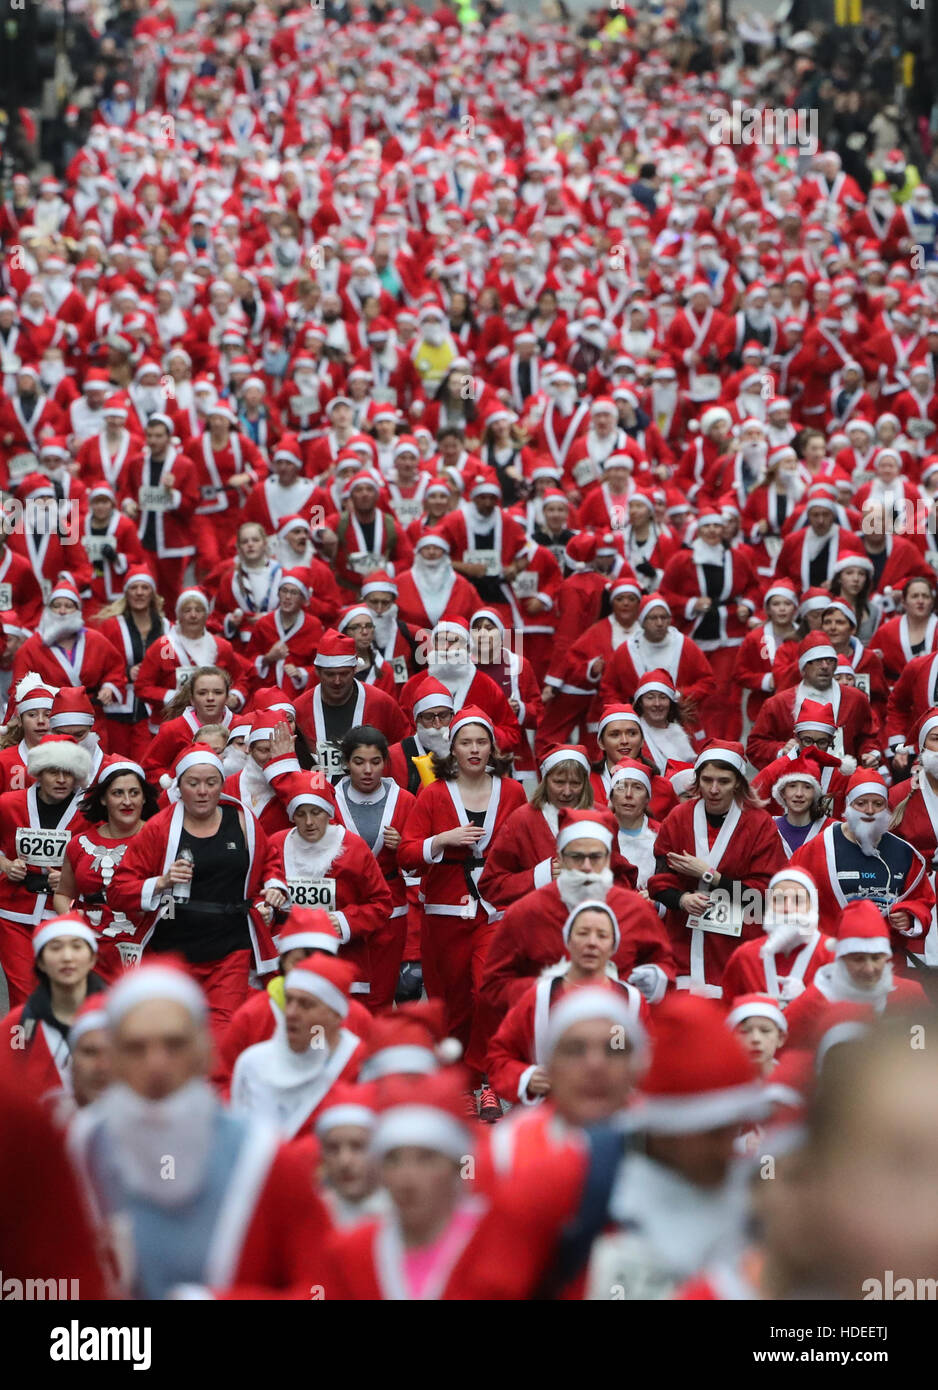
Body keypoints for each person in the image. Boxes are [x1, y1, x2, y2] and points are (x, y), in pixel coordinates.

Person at [457, 995, 768, 1300]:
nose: (595, 1065)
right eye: (711, 1134)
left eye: (612, 1050)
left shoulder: (762, 1194)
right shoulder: (548, 1173)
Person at [68, 964, 333, 1299]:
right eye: (136, 1047)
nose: (156, 1065)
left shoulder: (265, 1160)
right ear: (114, 1058)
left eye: (174, 1045)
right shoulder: (74, 1152)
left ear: (205, 1051)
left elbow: (325, 1286)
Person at [398, 707, 526, 1114]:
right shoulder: (434, 793)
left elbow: (525, 850)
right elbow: (405, 854)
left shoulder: (513, 792)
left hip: (494, 909)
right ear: (451, 748)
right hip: (443, 909)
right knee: (451, 1001)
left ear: (493, 746)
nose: (474, 749)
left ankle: (485, 1079)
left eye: (481, 741)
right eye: (465, 742)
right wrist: (442, 839)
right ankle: (460, 1086)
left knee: (486, 991)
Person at [109, 745, 282, 1031]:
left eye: (211, 782)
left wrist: (273, 891)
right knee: (172, 1032)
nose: (203, 791)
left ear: (222, 785)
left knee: (222, 1033)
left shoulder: (242, 820)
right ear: (179, 787)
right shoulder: (158, 828)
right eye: (193, 783)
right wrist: (162, 882)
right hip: (172, 948)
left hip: (230, 950)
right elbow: (118, 890)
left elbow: (269, 862)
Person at [318, 1068, 488, 1301]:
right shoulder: (353, 1251)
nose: (407, 1178)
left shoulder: (491, 1241)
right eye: (393, 1160)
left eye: (426, 1158)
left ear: (456, 1166)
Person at [649, 741, 786, 998]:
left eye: (723, 781)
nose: (713, 789)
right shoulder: (679, 817)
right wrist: (682, 899)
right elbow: (659, 881)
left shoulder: (759, 824)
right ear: (697, 780)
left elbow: (763, 895)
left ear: (737, 782)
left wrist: (709, 875)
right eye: (707, 780)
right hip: (684, 944)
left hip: (736, 945)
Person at [487, 903, 648, 1107]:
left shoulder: (632, 1001)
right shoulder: (540, 996)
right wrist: (527, 1077)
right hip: (551, 1122)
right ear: (568, 941)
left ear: (613, 945)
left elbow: (650, 1063)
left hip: (614, 1124)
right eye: (583, 933)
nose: (592, 943)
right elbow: (498, 1056)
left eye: (602, 935)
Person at [262, 765, 393, 1009]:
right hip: (287, 962)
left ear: (329, 812)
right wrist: (266, 908)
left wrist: (343, 921)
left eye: (316, 812)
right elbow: (259, 895)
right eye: (301, 814)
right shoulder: (277, 844)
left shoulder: (353, 848)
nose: (309, 822)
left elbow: (382, 904)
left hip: (342, 961)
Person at [790, 767, 934, 964]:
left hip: (886, 962)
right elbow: (787, 897)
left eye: (877, 804)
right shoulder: (818, 849)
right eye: (861, 803)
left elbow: (922, 899)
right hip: (830, 959)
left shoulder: (904, 852)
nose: (869, 810)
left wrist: (910, 916)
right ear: (848, 805)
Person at [0, 734, 92, 1009]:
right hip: (14, 911)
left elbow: (99, 856)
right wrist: (5, 865)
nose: (62, 779)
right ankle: (25, 1048)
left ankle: (59, 1048)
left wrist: (70, 880)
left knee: (62, 993)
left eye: (68, 772)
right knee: (24, 994)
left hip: (63, 911)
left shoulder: (89, 811)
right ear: (39, 772)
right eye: (54, 771)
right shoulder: (8, 804)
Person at [230, 956, 366, 1139]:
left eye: (306, 1004)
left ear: (336, 1015)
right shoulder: (252, 1063)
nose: (291, 1013)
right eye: (289, 1000)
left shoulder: (361, 1065)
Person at [333, 725, 416, 1011]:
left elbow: (419, 863)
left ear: (385, 762)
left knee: (381, 994)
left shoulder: (405, 800)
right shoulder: (329, 801)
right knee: (344, 994)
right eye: (358, 762)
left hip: (391, 910)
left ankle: (375, 1054)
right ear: (346, 764)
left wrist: (404, 846)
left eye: (375, 762)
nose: (367, 770)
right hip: (345, 909)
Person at [54, 757, 159, 980]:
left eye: (134, 793)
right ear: (103, 798)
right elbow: (63, 894)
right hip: (91, 954)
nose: (127, 801)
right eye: (117, 793)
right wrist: (74, 925)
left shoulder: (162, 839)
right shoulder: (79, 843)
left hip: (147, 952)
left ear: (144, 798)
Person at [783, 900, 928, 1048]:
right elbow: (782, 1050)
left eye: (876, 958)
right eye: (858, 959)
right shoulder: (814, 1001)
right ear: (840, 958)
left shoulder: (910, 994)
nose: (869, 969)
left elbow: (925, 1049)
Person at [0, 914, 105, 1098]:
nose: (67, 957)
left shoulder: (117, 1019)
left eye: (77, 946)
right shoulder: (17, 1023)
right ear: (40, 962)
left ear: (92, 958)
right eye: (55, 948)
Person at [479, 744, 593, 908]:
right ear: (545, 780)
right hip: (538, 923)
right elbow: (491, 885)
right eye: (559, 782)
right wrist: (541, 876)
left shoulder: (600, 818)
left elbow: (621, 877)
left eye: (575, 783)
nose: (567, 792)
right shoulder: (522, 820)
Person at [721, 868, 834, 1003]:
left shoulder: (831, 956)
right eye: (779, 899)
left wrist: (810, 1001)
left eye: (798, 901)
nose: (787, 908)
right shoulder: (745, 957)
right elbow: (729, 1014)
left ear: (813, 906)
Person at [94, 568, 170, 761]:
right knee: (116, 760)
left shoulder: (167, 627)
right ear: (126, 593)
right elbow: (99, 664)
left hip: (153, 707)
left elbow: (173, 665)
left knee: (145, 761)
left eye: (144, 587)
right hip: (118, 707)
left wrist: (151, 673)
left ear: (153, 593)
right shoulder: (111, 626)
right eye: (134, 587)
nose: (139, 592)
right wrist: (127, 672)